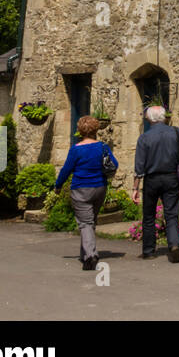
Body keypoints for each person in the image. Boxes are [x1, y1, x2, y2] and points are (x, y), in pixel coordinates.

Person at [53, 116, 118, 271]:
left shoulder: (76, 150)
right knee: (90, 221)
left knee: (85, 223)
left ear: (80, 131)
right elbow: (114, 164)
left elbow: (66, 170)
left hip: (81, 188)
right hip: (99, 188)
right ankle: (85, 253)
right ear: (95, 130)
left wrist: (58, 186)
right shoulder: (102, 147)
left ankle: (90, 256)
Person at [132, 105, 179, 263]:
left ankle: (149, 251)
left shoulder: (144, 138)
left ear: (150, 119)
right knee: (171, 214)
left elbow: (139, 167)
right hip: (171, 177)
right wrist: (178, 162)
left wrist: (135, 188)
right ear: (164, 117)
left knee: (149, 216)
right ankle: (174, 245)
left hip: (151, 179)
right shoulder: (177, 133)